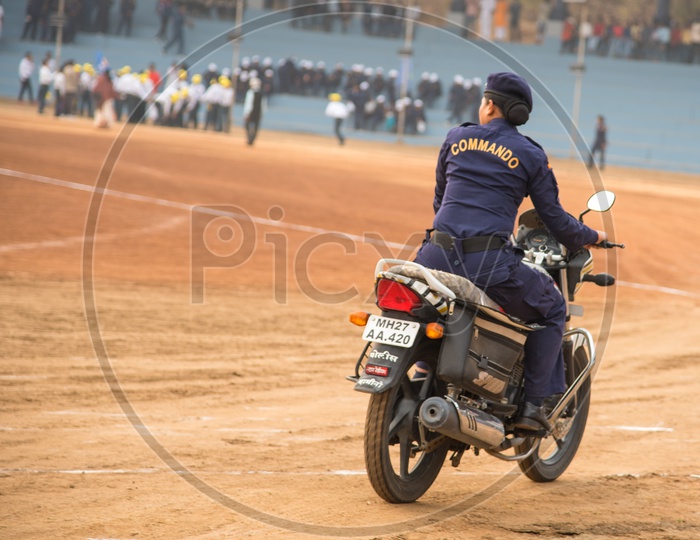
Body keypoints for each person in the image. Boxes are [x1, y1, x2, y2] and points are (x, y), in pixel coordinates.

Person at [413, 72, 606, 432]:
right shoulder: (530, 154)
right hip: (487, 263)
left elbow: (440, 200)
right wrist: (591, 235)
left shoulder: (456, 137)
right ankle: (533, 407)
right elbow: (556, 220)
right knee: (552, 309)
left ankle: (422, 365)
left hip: (433, 255)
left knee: (421, 301)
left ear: (489, 104)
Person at [243, 77, 265, 145]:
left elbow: (249, 103)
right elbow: (263, 104)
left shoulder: (250, 92)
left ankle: (249, 138)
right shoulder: (262, 93)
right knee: (256, 127)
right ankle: (252, 139)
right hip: (258, 112)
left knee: (247, 125)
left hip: (251, 112)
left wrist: (247, 113)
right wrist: (262, 113)